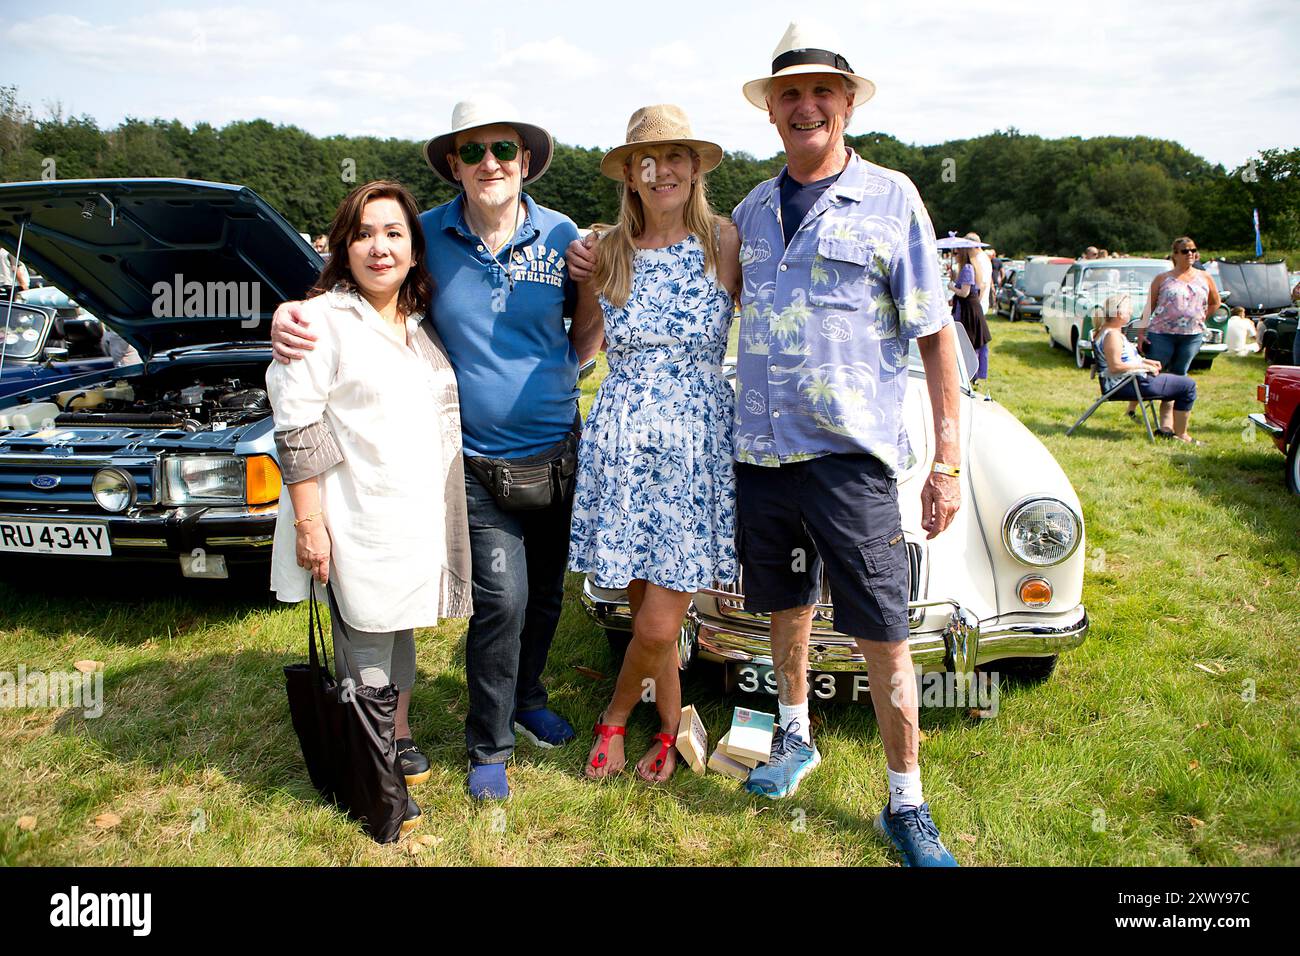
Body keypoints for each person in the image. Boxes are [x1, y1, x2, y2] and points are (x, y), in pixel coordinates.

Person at [571, 21, 965, 865]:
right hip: (755, 454)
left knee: (881, 630)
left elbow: (936, 335)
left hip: (849, 456)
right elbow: (622, 310)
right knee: (784, 612)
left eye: (823, 91)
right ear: (772, 110)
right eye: (791, 93)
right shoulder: (748, 214)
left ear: (849, 102)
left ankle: (907, 802)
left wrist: (947, 459)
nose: (807, 105)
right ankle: (793, 737)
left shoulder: (890, 198)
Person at [271, 99, 603, 802]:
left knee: (545, 597)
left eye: (504, 150)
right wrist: (287, 313)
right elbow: (356, 284)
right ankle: (490, 749)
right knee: (502, 603)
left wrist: (572, 351)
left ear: (525, 161)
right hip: (473, 464)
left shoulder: (563, 234)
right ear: (453, 164)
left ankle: (527, 696)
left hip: (557, 451)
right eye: (474, 151)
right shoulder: (423, 234)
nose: (490, 163)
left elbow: (584, 327)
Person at [267, 180, 473, 837]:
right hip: (350, 516)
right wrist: (309, 524)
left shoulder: (416, 322)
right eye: (363, 234)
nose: (378, 247)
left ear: (415, 250)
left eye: (392, 233)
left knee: (400, 631)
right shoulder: (319, 321)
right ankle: (374, 774)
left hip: (411, 521)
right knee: (366, 646)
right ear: (342, 247)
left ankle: (397, 736)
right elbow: (297, 428)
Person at [569, 105, 740, 784]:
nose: (662, 170)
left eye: (675, 157)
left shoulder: (726, 244)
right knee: (645, 610)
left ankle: (613, 716)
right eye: (647, 160)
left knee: (659, 623)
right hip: (622, 439)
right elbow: (582, 343)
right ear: (631, 176)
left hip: (695, 445)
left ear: (694, 167)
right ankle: (670, 727)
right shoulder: (604, 251)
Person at [1092, 293, 1201, 443]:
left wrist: (1146, 362)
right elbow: (1115, 366)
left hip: (1128, 382)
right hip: (1127, 385)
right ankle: (1182, 435)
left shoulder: (1108, 332)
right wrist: (1143, 367)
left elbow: (1121, 360)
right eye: (1129, 309)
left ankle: (1166, 430)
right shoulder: (1112, 336)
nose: (1131, 312)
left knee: (1175, 385)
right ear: (1119, 313)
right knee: (1188, 386)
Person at [1133, 238, 1220, 424]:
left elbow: (1215, 302)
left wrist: (1203, 316)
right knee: (1152, 371)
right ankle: (1133, 406)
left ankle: (1167, 423)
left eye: (1193, 250)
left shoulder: (1205, 277)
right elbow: (1149, 307)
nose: (1190, 254)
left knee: (1178, 376)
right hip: (1161, 333)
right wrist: (1141, 333)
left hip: (1191, 335)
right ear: (1175, 254)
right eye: (1184, 251)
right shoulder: (1163, 278)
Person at [950, 245, 991, 380]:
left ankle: (970, 375)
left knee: (969, 342)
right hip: (968, 309)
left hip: (969, 312)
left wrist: (951, 287)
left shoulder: (967, 268)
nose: (955, 255)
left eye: (956, 252)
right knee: (967, 342)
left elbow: (964, 292)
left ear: (962, 253)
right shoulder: (966, 268)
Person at [965, 232, 992, 314]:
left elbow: (983, 285)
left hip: (978, 304)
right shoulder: (980, 258)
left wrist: (976, 305)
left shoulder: (981, 260)